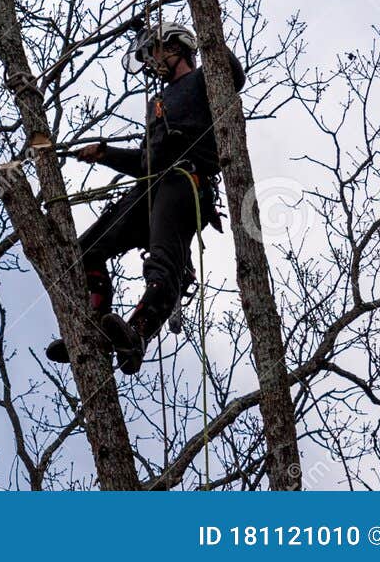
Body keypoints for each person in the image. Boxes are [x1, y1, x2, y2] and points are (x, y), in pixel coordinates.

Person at [45, 22, 245, 375]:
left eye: (155, 52)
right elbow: (145, 162)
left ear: (176, 47)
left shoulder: (203, 81)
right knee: (83, 252)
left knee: (164, 259)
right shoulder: (158, 101)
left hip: (185, 181)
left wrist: (206, 25)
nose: (152, 62)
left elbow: (231, 71)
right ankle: (92, 328)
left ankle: (137, 333)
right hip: (152, 184)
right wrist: (104, 152)